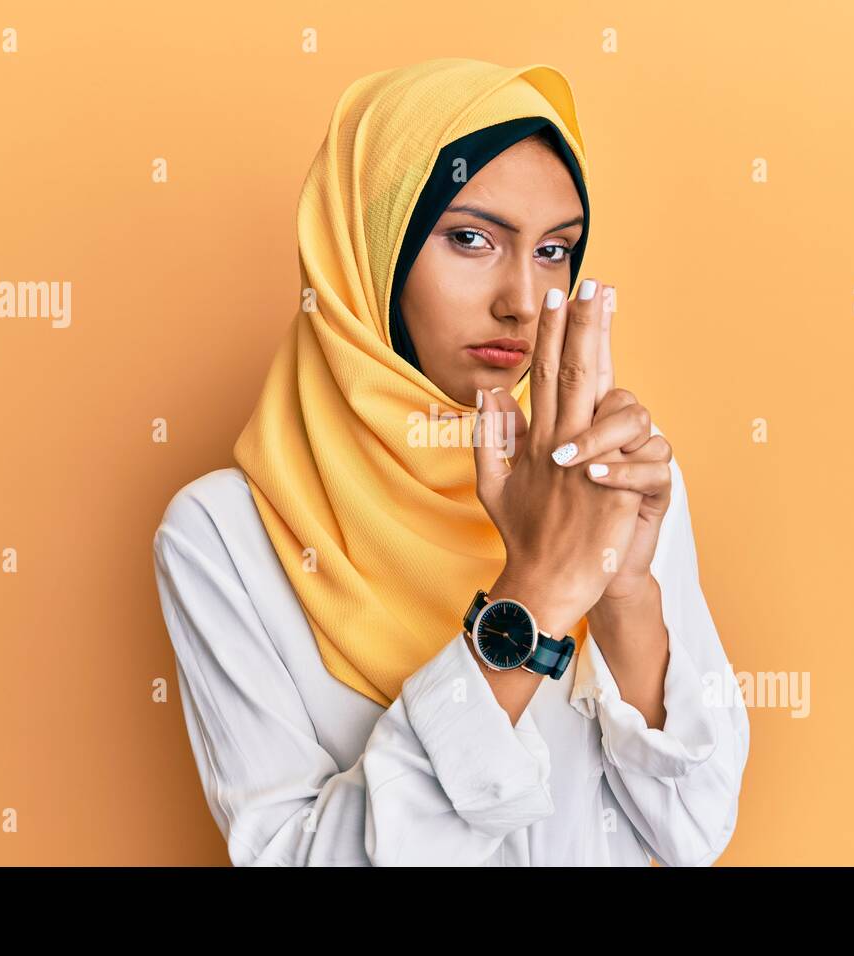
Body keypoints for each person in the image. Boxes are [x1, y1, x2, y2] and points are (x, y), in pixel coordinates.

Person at [152, 56, 750, 866]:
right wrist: (535, 592)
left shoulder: (615, 478)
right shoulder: (227, 532)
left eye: (554, 251)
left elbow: (693, 832)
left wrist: (625, 594)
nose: (519, 299)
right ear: (370, 254)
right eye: (470, 239)